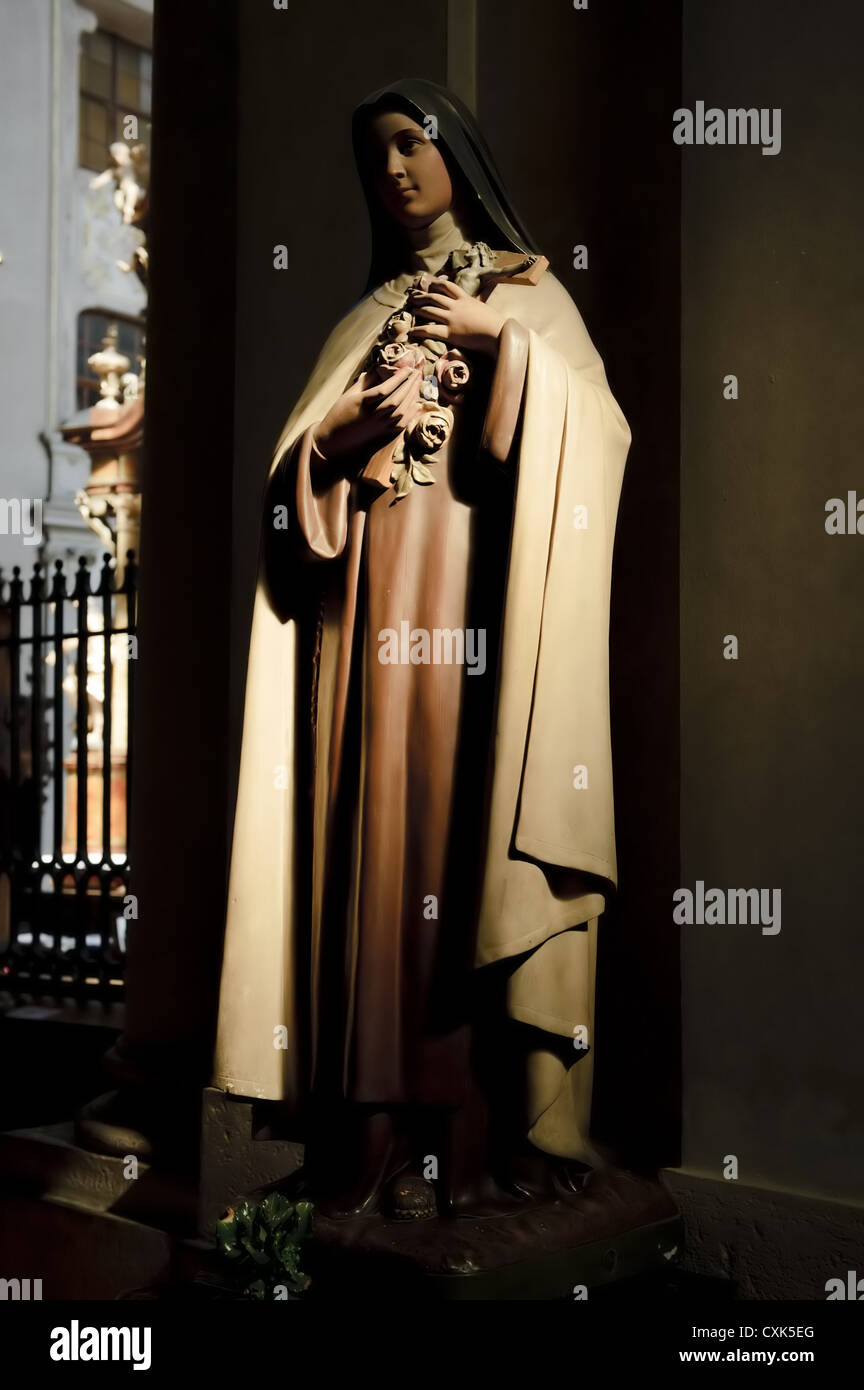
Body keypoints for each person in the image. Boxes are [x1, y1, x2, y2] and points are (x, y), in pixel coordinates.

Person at [213, 79, 632, 1221]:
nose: (394, 169)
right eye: (375, 155)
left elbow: (598, 437)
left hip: (465, 624)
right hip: (361, 630)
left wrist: (506, 350)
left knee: (452, 845)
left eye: (413, 143)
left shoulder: (529, 291)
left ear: (459, 154)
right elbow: (291, 489)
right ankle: (371, 1136)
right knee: (369, 861)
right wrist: (348, 432)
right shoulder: (364, 314)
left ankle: (470, 1135)